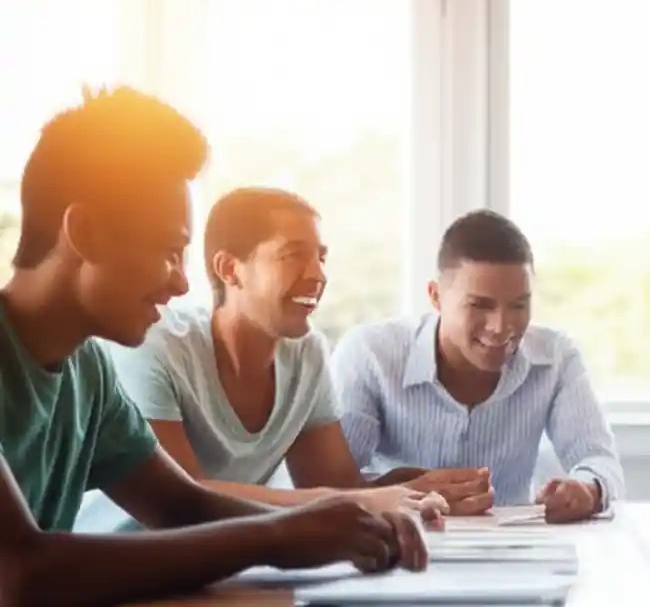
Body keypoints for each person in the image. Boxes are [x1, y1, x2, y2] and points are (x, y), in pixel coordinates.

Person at [0, 88, 429, 606]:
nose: (182, 284)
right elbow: (19, 572)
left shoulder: (85, 368)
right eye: (168, 252)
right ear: (85, 232)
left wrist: (337, 527)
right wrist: (280, 535)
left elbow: (180, 504)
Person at [111, 187, 491, 518]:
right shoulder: (156, 345)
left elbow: (336, 487)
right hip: (130, 569)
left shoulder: (306, 354)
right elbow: (183, 498)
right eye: (293, 255)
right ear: (230, 269)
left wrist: (415, 490)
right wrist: (358, 502)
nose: (318, 275)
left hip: (224, 567)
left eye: (321, 257)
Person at [332, 209, 623, 523]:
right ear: (436, 296)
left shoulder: (556, 357)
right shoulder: (369, 354)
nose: (501, 326)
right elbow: (328, 485)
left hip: (515, 551)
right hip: (397, 544)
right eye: (479, 305)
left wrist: (587, 489)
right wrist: (407, 494)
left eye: (518, 305)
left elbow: (600, 460)